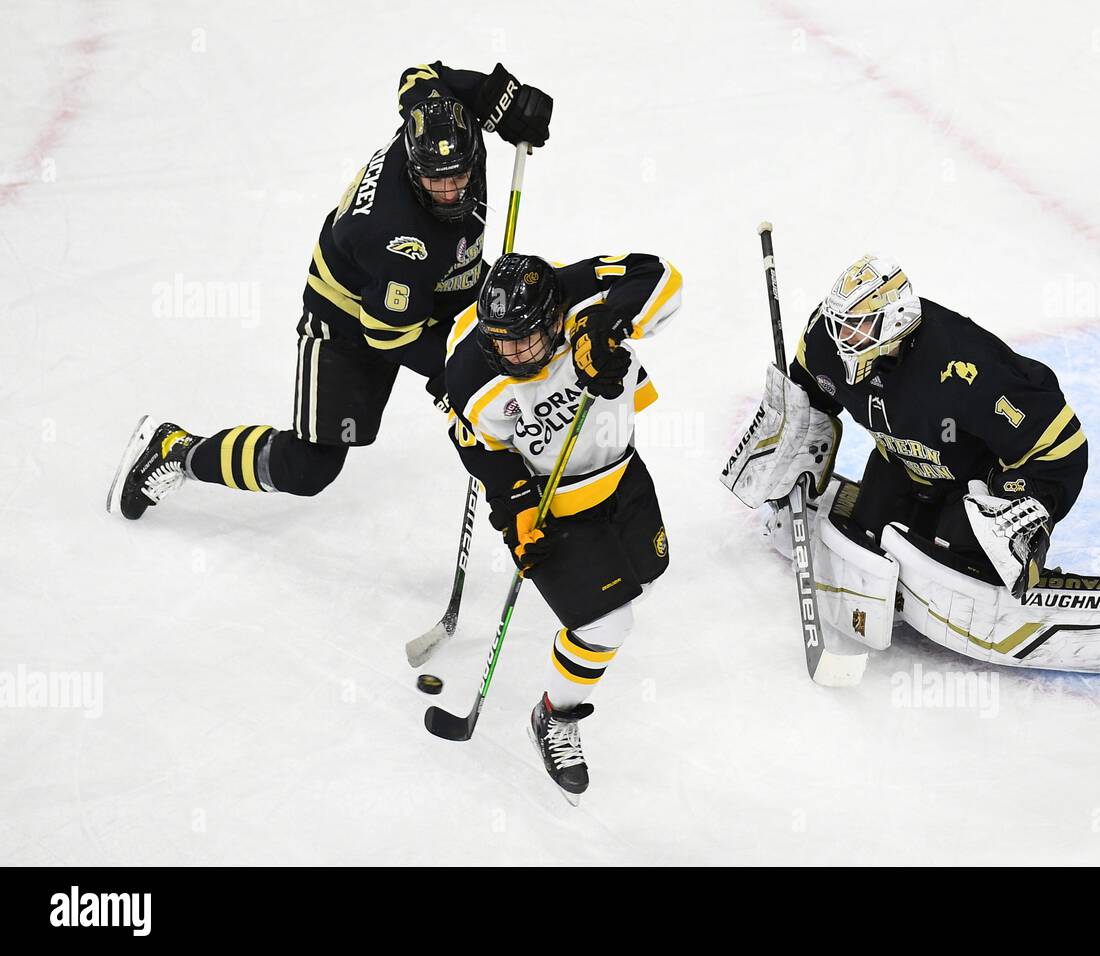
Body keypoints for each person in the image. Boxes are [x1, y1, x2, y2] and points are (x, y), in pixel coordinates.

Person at [721, 253, 1100, 697]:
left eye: (857, 329)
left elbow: (1062, 446)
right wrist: (789, 452)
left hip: (971, 488)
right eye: (839, 325)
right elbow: (807, 403)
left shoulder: (964, 368)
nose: (841, 338)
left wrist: (1029, 506)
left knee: (967, 581)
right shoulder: (828, 343)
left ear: (894, 323)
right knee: (865, 540)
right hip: (901, 466)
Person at [108, 61, 551, 519]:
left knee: (522, 340)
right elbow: (391, 336)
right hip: (351, 316)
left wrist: (504, 98)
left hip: (439, 284)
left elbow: (421, 76)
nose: (449, 192)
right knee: (308, 468)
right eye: (434, 180)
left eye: (458, 176)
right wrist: (455, 371)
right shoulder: (395, 239)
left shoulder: (439, 123)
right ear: (414, 167)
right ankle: (177, 451)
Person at [443, 251, 681, 803]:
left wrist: (605, 324)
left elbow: (663, 277)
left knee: (648, 573)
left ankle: (588, 626)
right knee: (606, 625)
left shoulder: (578, 294)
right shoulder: (471, 374)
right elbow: (481, 449)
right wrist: (517, 507)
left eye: (526, 340)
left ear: (554, 318)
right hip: (555, 507)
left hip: (622, 475)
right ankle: (555, 716)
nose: (514, 355)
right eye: (501, 342)